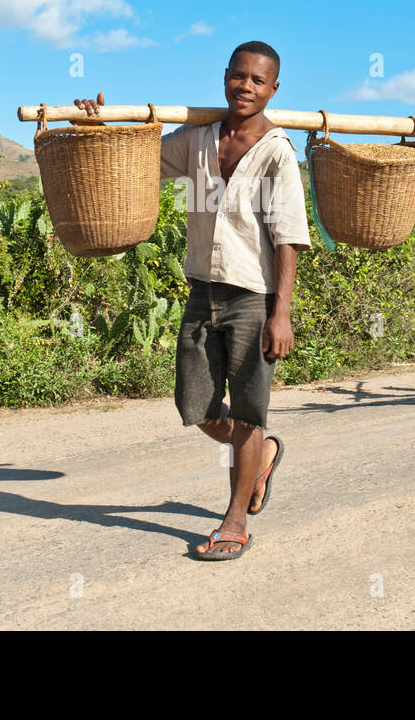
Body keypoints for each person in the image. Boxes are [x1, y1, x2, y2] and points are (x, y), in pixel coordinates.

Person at [74, 41, 311, 559]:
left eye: (257, 80)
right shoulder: (197, 140)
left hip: (254, 294)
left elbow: (289, 236)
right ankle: (262, 455)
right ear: (225, 77)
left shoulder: (278, 152)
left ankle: (234, 520)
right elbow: (134, 160)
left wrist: (282, 313)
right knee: (196, 405)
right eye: (238, 76)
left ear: (273, 90)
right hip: (202, 290)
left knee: (249, 410)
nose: (245, 86)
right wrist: (99, 127)